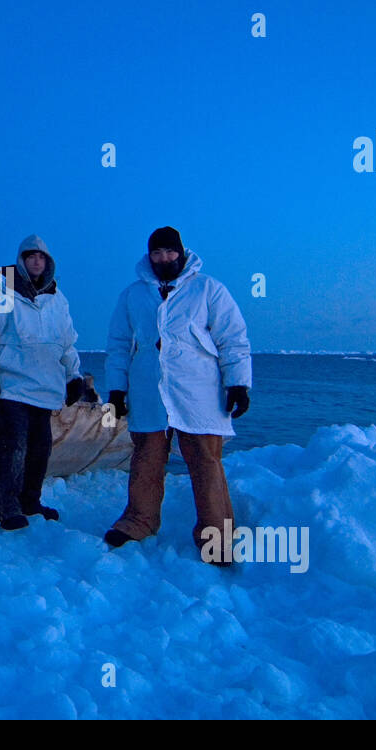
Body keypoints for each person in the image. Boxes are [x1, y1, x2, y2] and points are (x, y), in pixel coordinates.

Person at [102, 227, 251, 562]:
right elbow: (118, 345)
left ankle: (217, 537)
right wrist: (116, 390)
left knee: (205, 461)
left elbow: (233, 338)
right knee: (146, 459)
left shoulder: (208, 289)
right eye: (157, 253)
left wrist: (238, 383)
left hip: (198, 392)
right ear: (149, 256)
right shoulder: (133, 294)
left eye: (170, 252)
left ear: (181, 253)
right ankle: (138, 520)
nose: (163, 258)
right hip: (148, 390)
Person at [0, 235, 86, 530]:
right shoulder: (2, 290)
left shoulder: (58, 299)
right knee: (13, 447)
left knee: (40, 449)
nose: (36, 260)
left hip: (45, 389)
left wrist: (74, 376)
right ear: (21, 260)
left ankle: (30, 501)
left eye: (41, 257)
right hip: (12, 387)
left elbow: (68, 343)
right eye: (30, 256)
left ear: (48, 262)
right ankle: (4, 505)